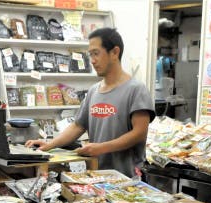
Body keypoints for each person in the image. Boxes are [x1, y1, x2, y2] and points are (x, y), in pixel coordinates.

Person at [25, 28, 155, 177]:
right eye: (90, 54)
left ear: (114, 52)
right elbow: (78, 126)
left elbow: (139, 133)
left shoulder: (136, 89)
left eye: (96, 53)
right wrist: (50, 144)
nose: (92, 60)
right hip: (97, 176)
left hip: (127, 178)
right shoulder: (94, 91)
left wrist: (101, 148)